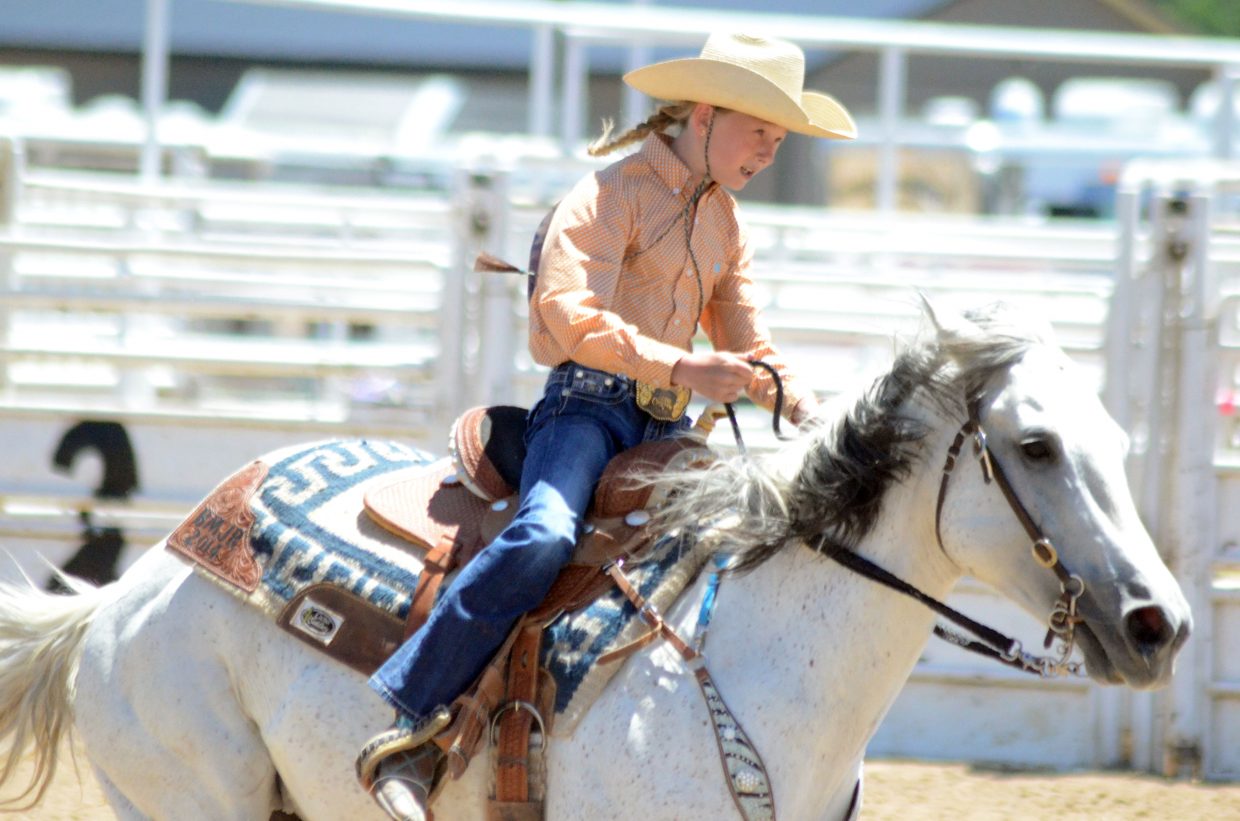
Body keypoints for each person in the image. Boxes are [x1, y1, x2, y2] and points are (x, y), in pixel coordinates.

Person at [355, 31, 856, 821]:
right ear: (704, 115)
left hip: (664, 431)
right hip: (584, 409)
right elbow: (565, 315)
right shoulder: (609, 193)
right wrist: (682, 366)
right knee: (544, 534)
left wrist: (809, 410)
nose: (770, 149)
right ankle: (410, 720)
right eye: (759, 129)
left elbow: (751, 348)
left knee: (737, 552)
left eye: (780, 137)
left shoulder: (725, 224)